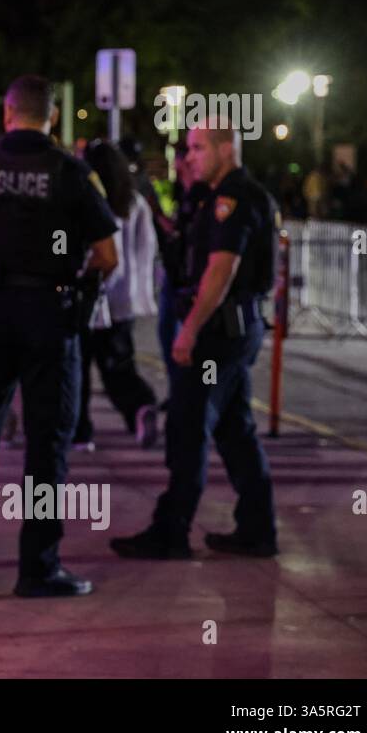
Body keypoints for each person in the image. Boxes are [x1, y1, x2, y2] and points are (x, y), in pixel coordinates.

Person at [0, 75, 119, 597]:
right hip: (49, 312)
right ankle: (38, 567)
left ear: (6, 113)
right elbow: (108, 256)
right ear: (53, 118)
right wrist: (77, 283)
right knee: (46, 444)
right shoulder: (70, 172)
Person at [111, 123, 280, 560]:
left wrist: (189, 330)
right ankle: (257, 528)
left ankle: (172, 530)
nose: (190, 156)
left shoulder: (234, 200)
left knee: (188, 427)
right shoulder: (215, 196)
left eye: (198, 148)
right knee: (234, 428)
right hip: (231, 330)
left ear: (227, 149)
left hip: (217, 332)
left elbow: (221, 271)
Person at [74, 140, 160, 451]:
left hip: (92, 296)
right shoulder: (134, 202)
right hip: (125, 299)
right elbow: (147, 250)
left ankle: (80, 431)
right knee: (118, 367)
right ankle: (139, 406)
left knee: (77, 368)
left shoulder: (87, 200)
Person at [155, 141, 209, 405]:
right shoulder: (181, 190)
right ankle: (178, 390)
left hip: (189, 280)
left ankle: (188, 394)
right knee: (167, 335)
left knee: (183, 337)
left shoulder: (203, 192)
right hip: (173, 273)